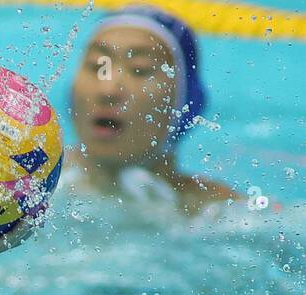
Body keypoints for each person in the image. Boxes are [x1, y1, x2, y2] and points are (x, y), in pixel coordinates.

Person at [67, 5, 237, 215]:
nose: (108, 89)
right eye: (96, 66)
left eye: (139, 69)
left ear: (184, 103)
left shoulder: (221, 214)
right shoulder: (25, 180)